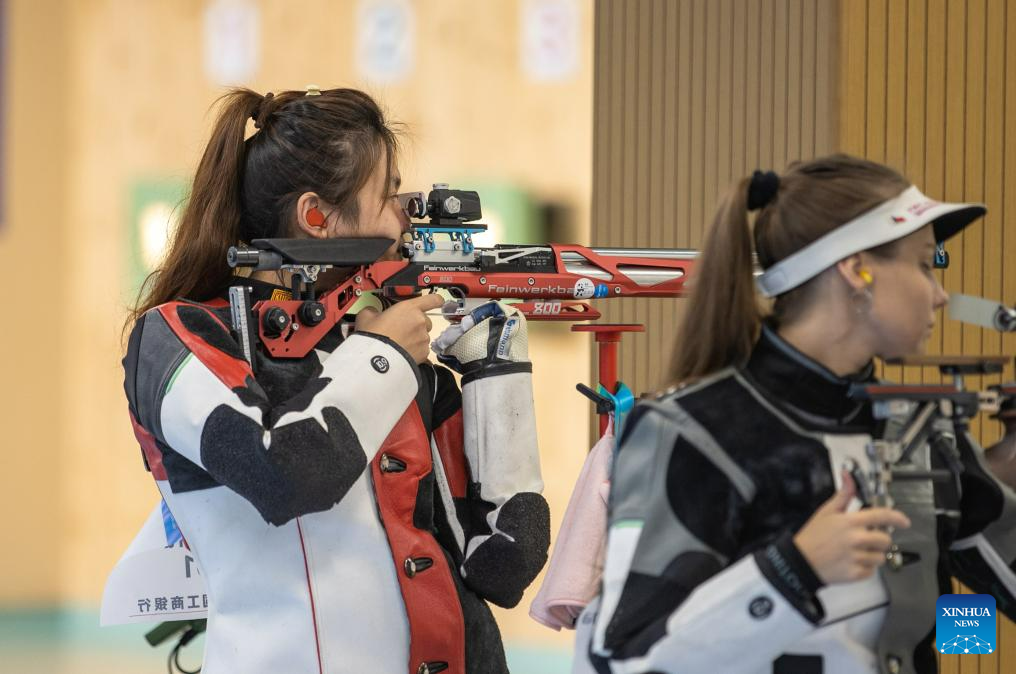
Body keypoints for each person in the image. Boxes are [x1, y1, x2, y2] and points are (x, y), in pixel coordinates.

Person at [121, 87, 550, 674]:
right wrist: (383, 356)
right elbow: (285, 477)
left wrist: (495, 373)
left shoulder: (375, 350)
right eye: (390, 193)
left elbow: (502, 565)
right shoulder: (176, 339)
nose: (408, 217)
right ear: (317, 217)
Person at [579, 154, 1016, 674]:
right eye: (925, 264)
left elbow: (974, 601)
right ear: (858, 270)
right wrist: (791, 570)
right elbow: (623, 661)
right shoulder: (692, 430)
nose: (941, 296)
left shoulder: (920, 425)